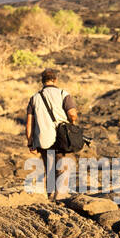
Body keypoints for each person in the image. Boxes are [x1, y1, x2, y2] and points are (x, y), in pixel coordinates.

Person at [25, 68, 78, 198]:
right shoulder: (63, 94)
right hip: (61, 137)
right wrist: (72, 122)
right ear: (55, 80)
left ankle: (51, 195)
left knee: (49, 167)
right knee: (61, 165)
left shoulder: (34, 98)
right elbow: (72, 113)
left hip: (43, 138)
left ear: (42, 82)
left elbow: (29, 123)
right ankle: (60, 195)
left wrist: (30, 142)